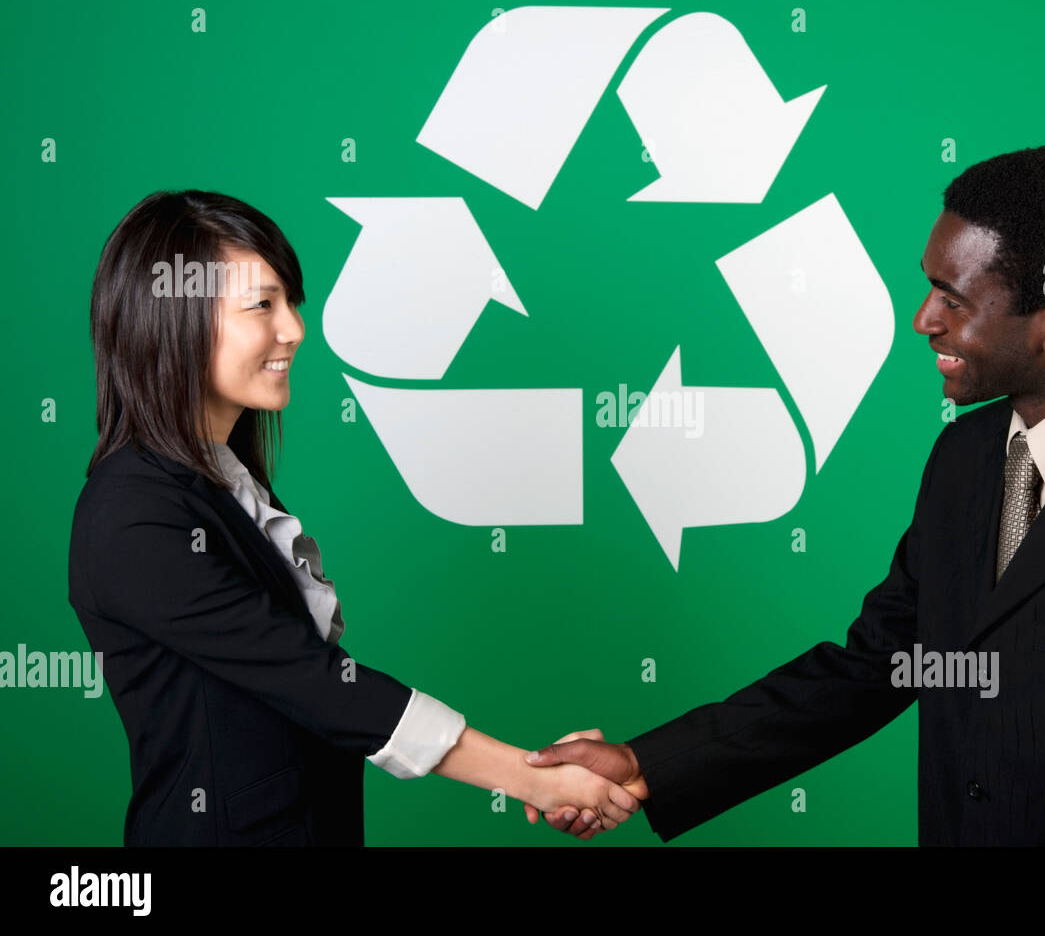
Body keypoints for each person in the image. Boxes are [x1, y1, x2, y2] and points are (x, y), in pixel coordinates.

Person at [523, 144, 1045, 845]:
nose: (923, 320)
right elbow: (882, 665)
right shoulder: (964, 458)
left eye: (953, 299)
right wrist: (644, 763)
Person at [67, 190, 640, 845]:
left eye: (290, 302)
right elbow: (314, 682)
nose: (294, 329)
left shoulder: (224, 485)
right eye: (262, 306)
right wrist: (530, 775)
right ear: (171, 320)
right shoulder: (134, 513)